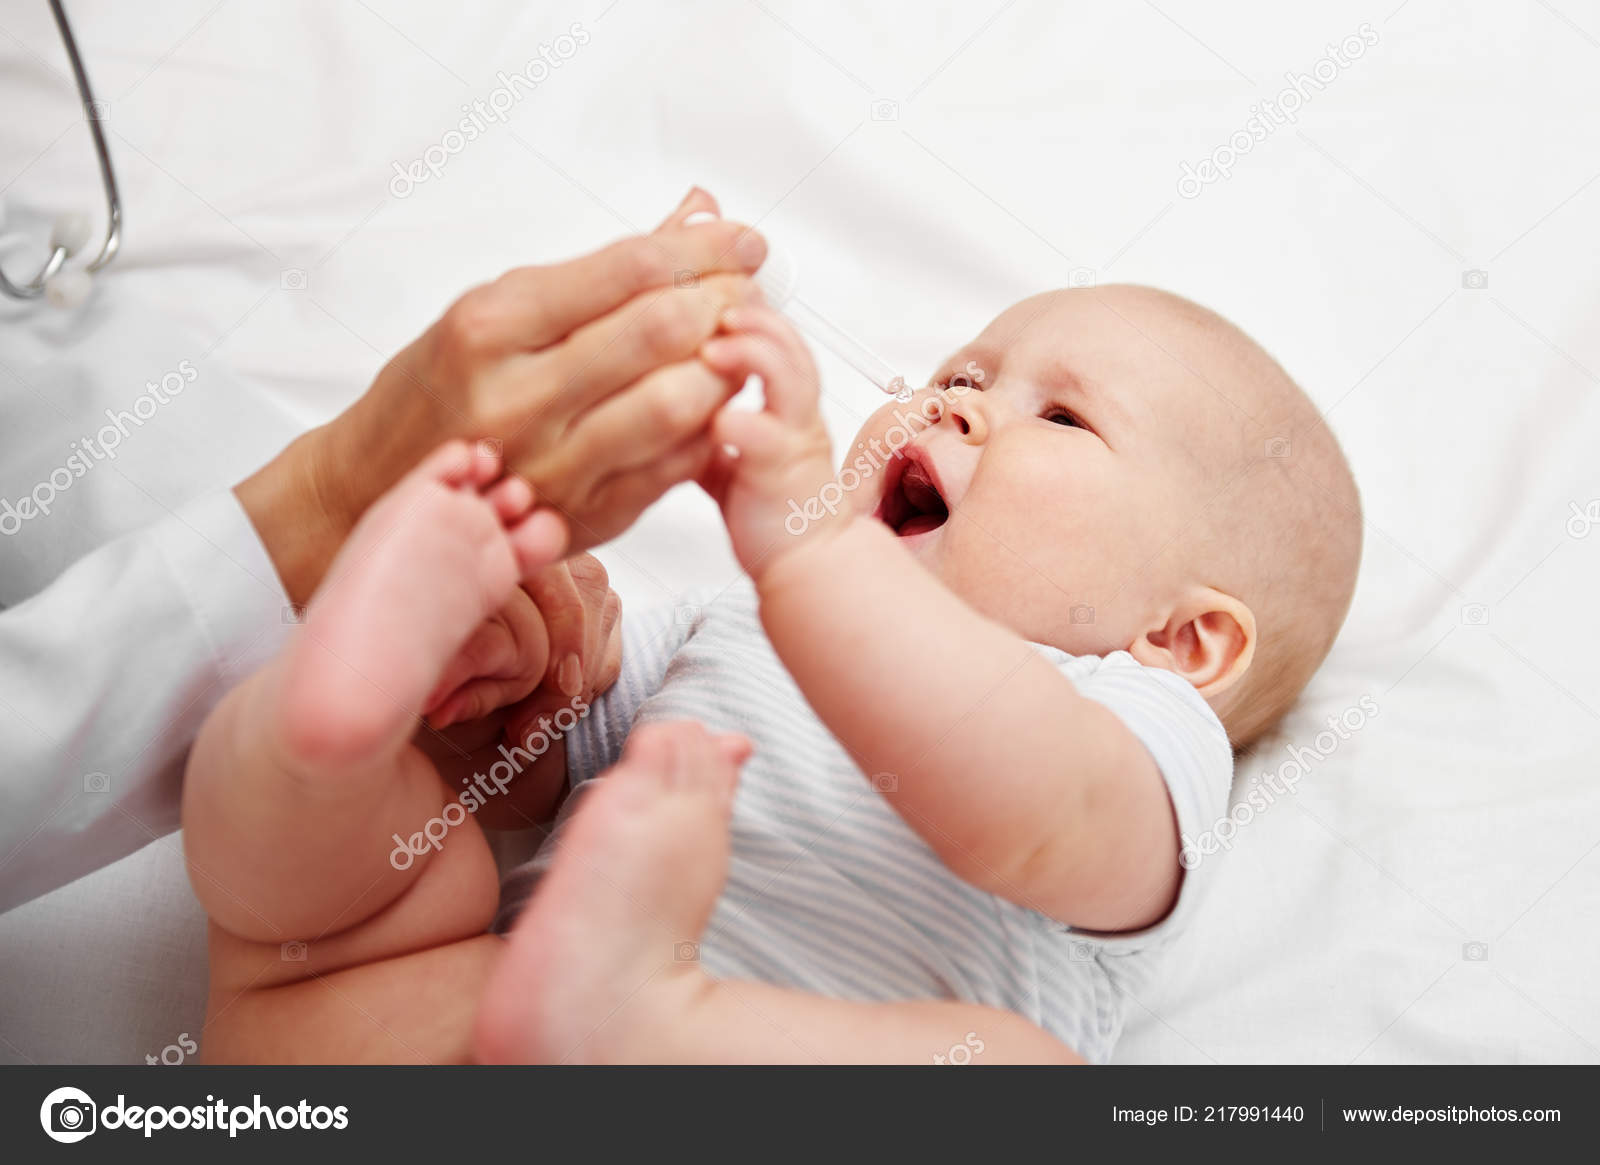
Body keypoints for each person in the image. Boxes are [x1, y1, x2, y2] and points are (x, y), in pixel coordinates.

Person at [177, 284, 1362, 1062]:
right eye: (958, 370)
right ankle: (312, 736)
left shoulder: (1133, 727)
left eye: (1058, 417)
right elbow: (529, 780)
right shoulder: (736, 618)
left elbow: (1034, 822)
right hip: (454, 1045)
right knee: (383, 896)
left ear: (1184, 638)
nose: (952, 401)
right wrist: (499, 674)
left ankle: (651, 1020)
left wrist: (809, 562)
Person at [0, 189, 765, 913]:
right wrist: (328, 510)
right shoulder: (747, 631)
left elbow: (556, 744)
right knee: (406, 893)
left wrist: (334, 514)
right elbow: (574, 755)